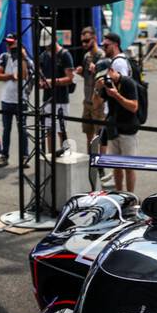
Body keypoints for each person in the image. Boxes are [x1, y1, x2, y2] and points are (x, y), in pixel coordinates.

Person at [96, 57, 139, 193]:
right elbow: (96, 105)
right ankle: (119, 195)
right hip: (113, 129)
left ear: (111, 70)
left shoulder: (127, 83)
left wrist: (116, 96)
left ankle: (131, 197)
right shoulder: (106, 84)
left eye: (104, 75)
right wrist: (97, 89)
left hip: (128, 129)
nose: (104, 79)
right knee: (116, 166)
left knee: (129, 166)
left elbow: (134, 107)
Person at [0, 32, 29, 165]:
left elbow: (24, 75)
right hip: (6, 99)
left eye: (11, 43)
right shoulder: (3, 56)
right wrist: (11, 76)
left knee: (23, 129)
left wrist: (22, 56)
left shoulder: (24, 57)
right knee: (6, 129)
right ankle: (4, 155)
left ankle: (25, 156)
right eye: (7, 43)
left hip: (21, 99)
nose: (9, 46)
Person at [39, 33, 75, 155]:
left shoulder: (65, 55)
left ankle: (66, 154)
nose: (46, 47)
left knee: (61, 130)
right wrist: (40, 82)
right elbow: (40, 75)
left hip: (61, 99)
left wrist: (52, 82)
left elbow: (70, 78)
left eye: (48, 44)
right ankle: (50, 158)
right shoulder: (43, 56)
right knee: (49, 129)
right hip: (47, 98)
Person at [76, 26, 105, 154]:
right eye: (82, 41)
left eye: (87, 41)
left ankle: (101, 164)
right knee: (88, 133)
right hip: (87, 101)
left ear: (95, 38)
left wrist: (97, 69)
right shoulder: (86, 56)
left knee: (100, 134)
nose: (84, 44)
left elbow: (106, 79)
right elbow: (87, 77)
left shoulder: (102, 56)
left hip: (98, 103)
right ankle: (90, 159)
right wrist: (81, 72)